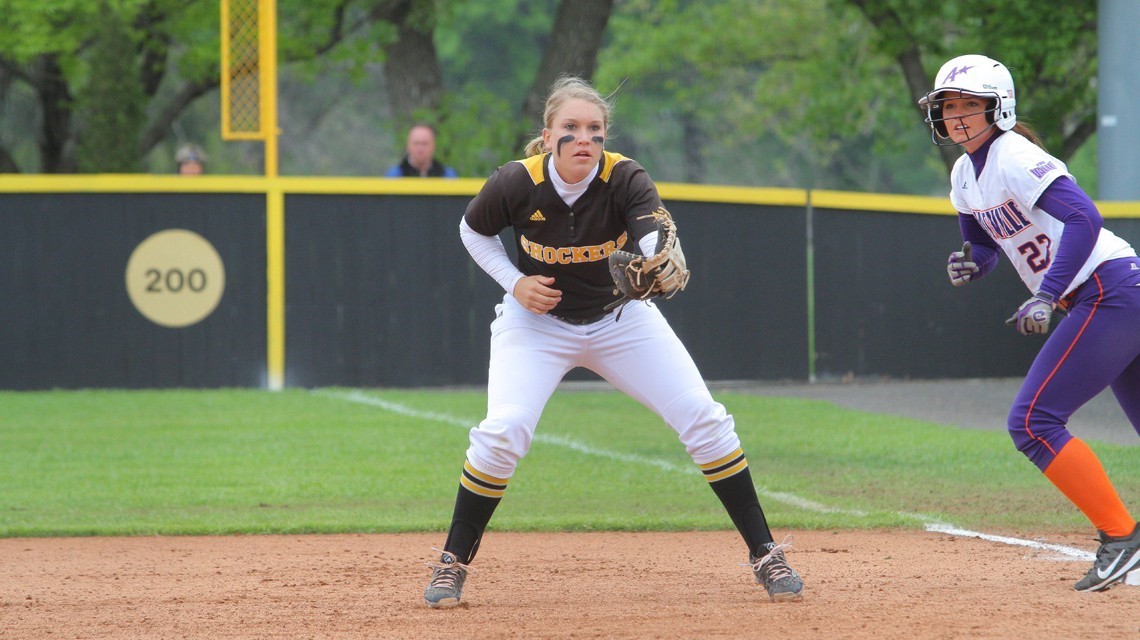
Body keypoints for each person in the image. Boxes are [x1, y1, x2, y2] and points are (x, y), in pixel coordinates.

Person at [422, 76, 803, 609]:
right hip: (536, 326)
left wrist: (651, 258)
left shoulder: (624, 177)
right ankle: (452, 563)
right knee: (503, 429)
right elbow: (472, 230)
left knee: (704, 416)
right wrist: (514, 282)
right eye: (571, 128)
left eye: (595, 130)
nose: (584, 139)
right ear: (548, 133)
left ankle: (766, 553)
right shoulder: (516, 181)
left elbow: (652, 231)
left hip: (619, 318)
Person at [919, 54, 1140, 592]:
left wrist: (1044, 293)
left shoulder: (1014, 154)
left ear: (999, 107)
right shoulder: (963, 172)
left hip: (1108, 289)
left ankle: (1120, 538)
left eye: (970, 103)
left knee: (1033, 421)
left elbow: (1085, 217)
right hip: (1116, 290)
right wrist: (973, 262)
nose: (957, 115)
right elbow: (984, 245)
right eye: (949, 105)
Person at [385, 124, 457, 178]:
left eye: (424, 144)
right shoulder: (395, 176)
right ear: (408, 147)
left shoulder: (447, 176)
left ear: (434, 147)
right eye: (416, 144)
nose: (420, 149)